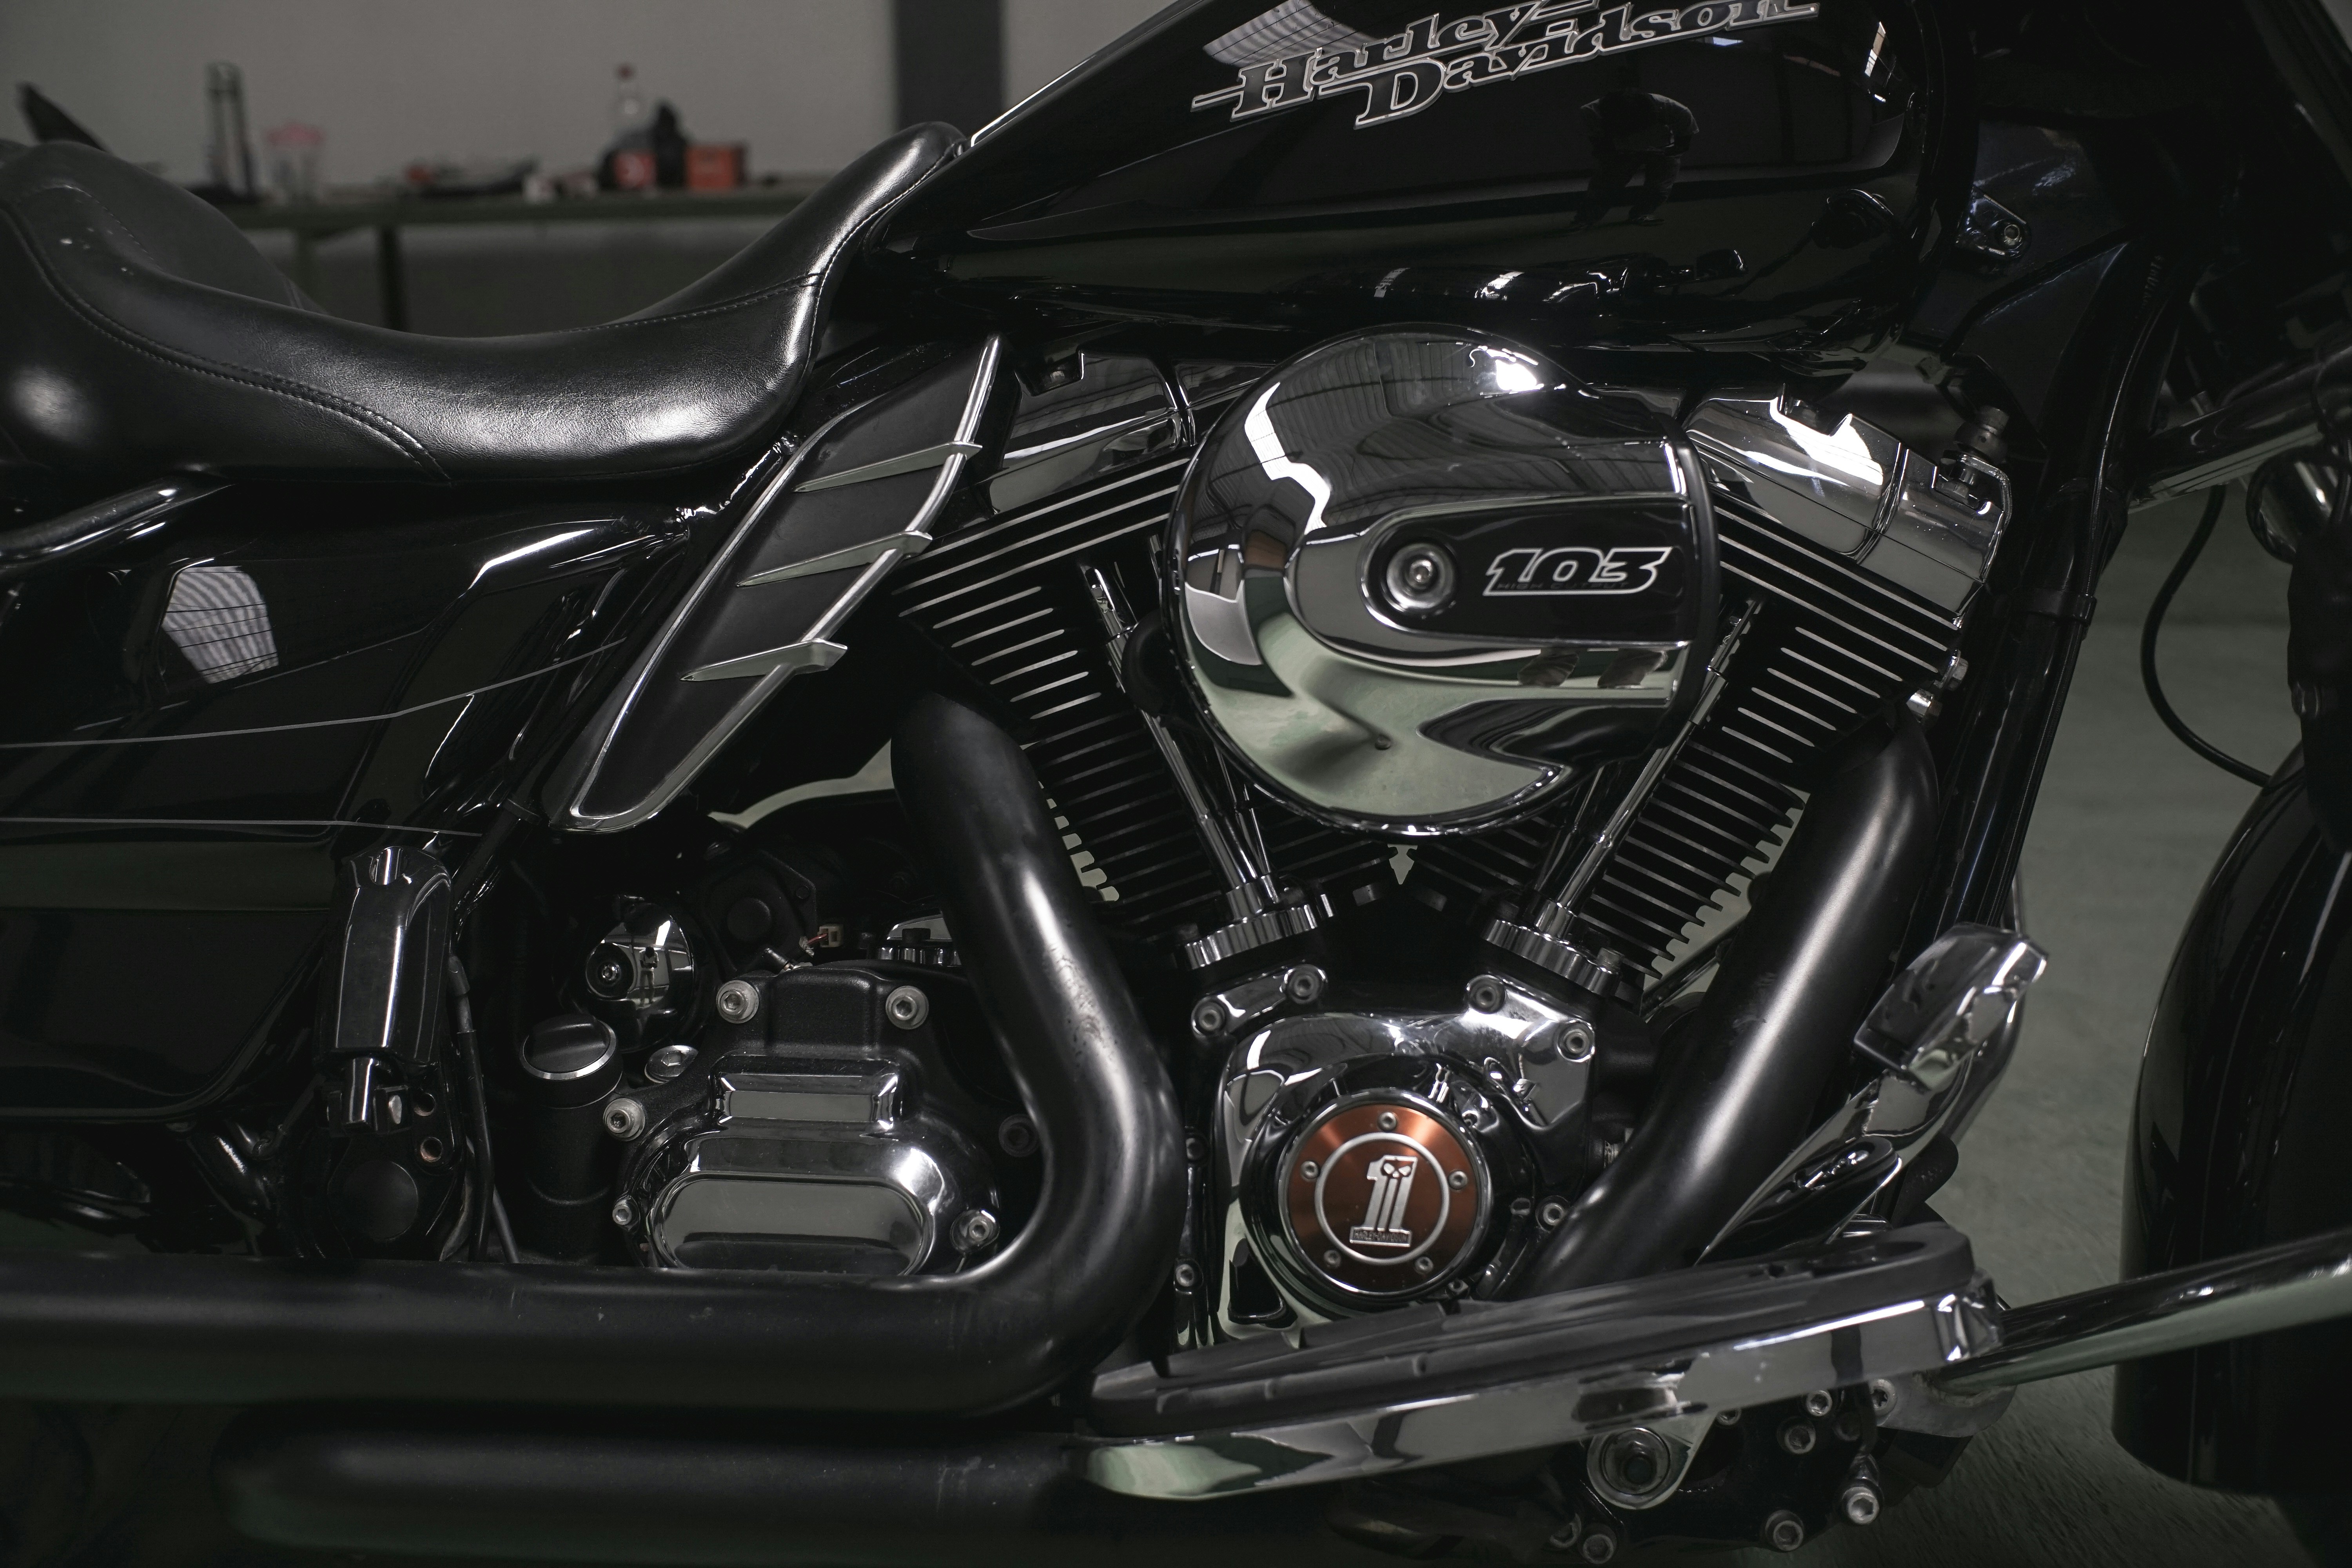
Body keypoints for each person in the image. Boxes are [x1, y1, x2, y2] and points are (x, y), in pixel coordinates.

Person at [1575, 66, 1699, 227]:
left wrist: (1670, 152)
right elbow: (1601, 146)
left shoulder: (1673, 109)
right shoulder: (1591, 112)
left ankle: (1642, 213)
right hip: (1622, 151)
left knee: (1660, 188)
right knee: (1604, 186)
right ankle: (1584, 219)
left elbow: (1684, 140)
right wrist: (1613, 158)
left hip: (1663, 148)